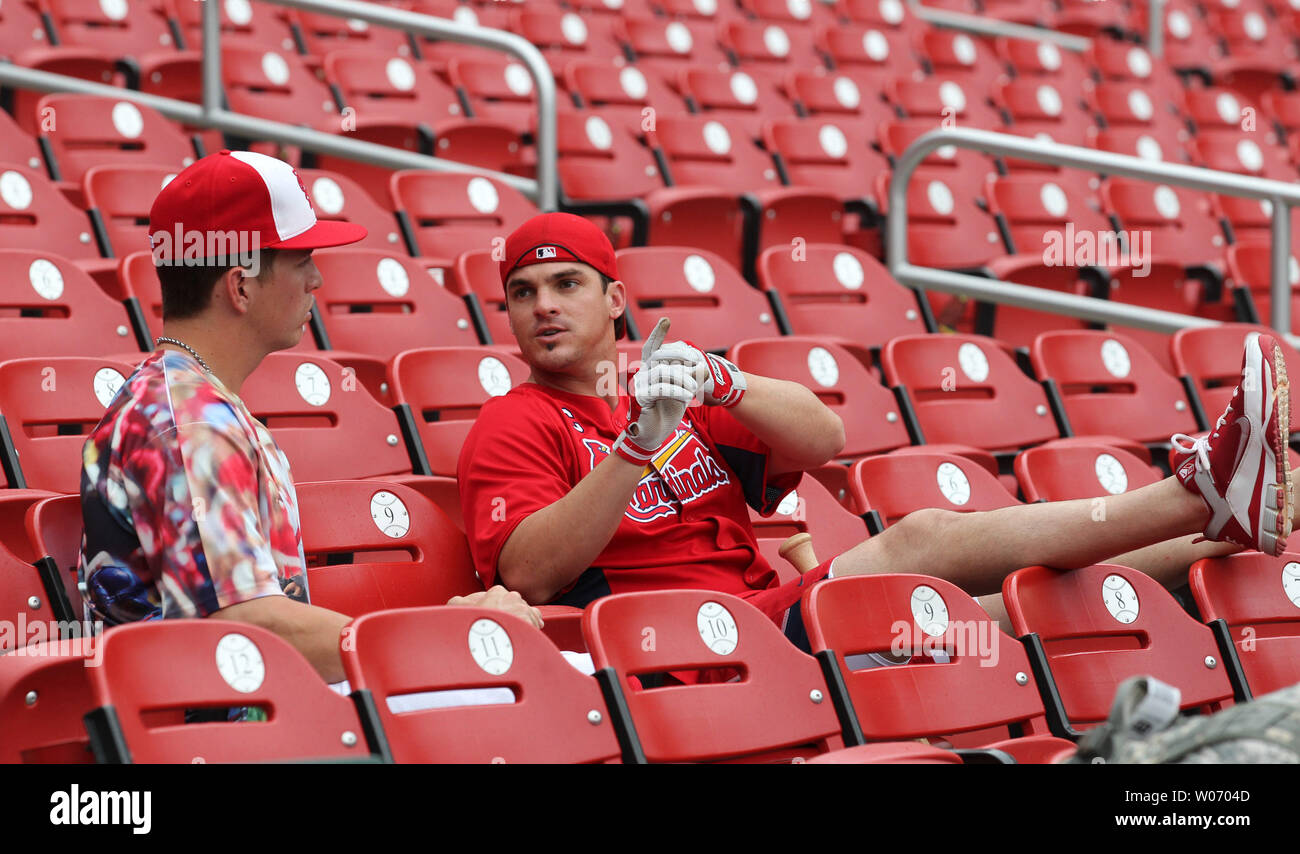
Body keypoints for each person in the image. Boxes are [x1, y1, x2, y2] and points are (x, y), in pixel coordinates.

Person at [458, 211, 1294, 645]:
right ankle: (1202, 496)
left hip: (778, 615)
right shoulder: (514, 422)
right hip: (687, 646)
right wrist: (636, 449)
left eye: (566, 285)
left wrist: (724, 378)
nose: (544, 308)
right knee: (921, 541)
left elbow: (825, 440)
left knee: (1025, 605)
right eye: (523, 295)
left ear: (614, 299)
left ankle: (1238, 514)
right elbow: (529, 572)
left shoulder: (670, 386)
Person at [78, 150, 540, 686]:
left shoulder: (193, 399)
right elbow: (246, 624)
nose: (317, 279)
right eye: (302, 262)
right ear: (241, 286)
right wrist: (445, 639)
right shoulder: (191, 423)